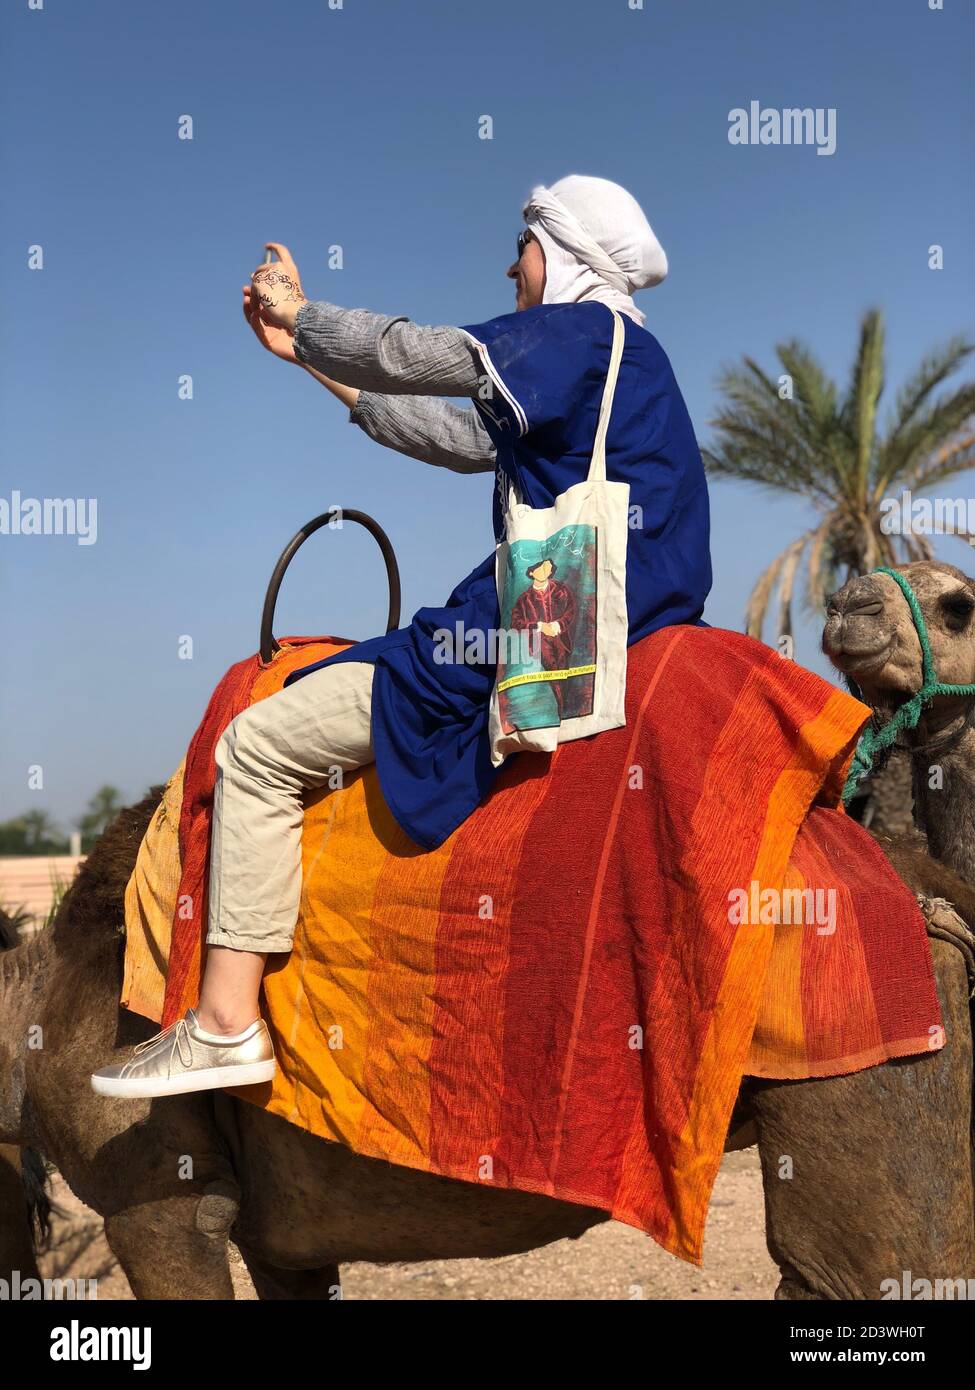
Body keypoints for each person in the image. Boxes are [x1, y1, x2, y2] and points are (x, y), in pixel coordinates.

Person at [91, 175, 712, 1099]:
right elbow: (456, 436)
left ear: (569, 256)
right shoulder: (617, 365)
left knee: (253, 746)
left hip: (524, 624)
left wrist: (302, 314)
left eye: (525, 245)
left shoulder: (579, 333)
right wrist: (303, 357)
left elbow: (419, 354)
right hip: (624, 617)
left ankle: (224, 1024)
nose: (512, 264)